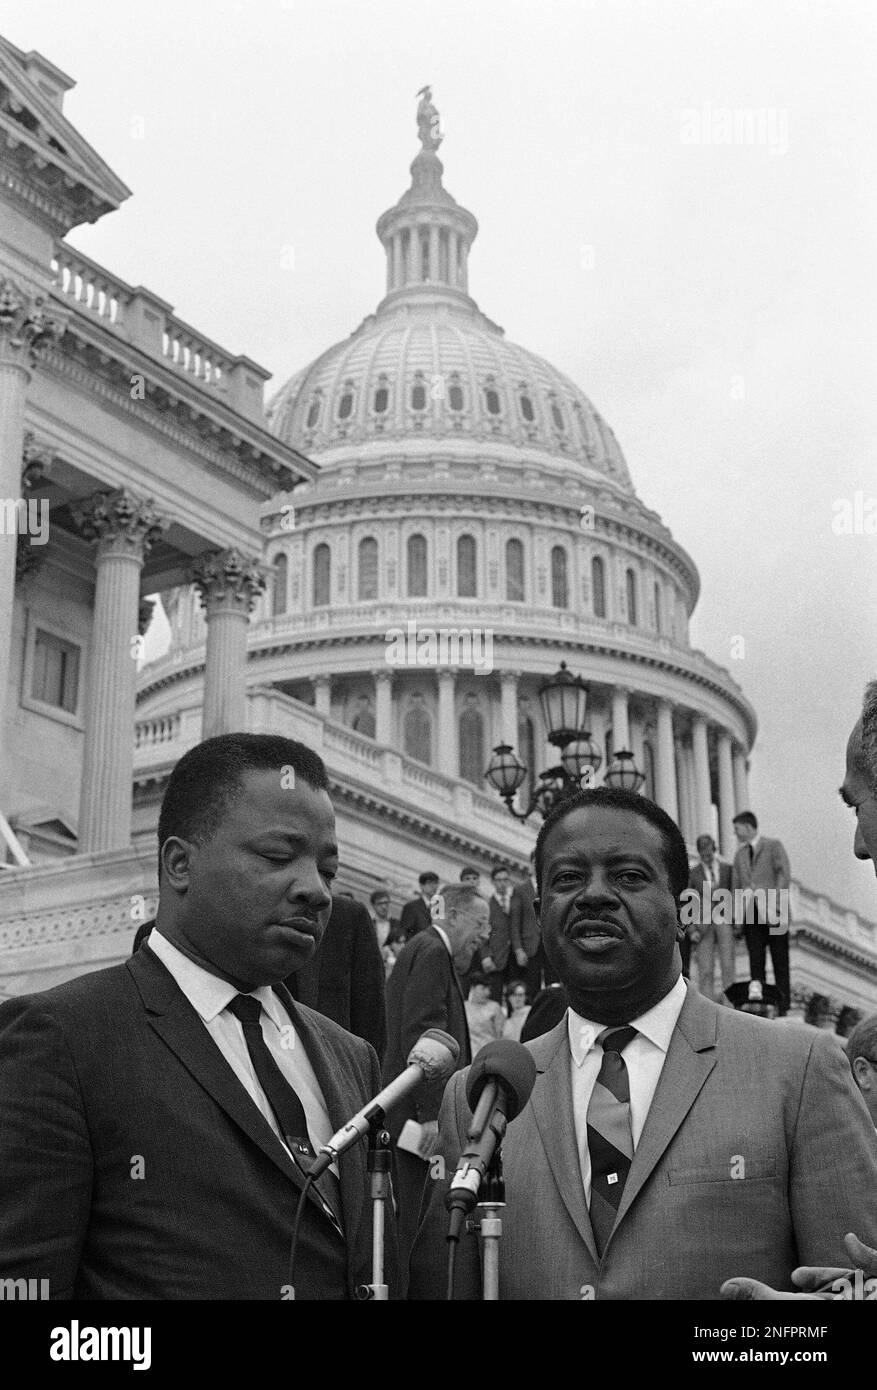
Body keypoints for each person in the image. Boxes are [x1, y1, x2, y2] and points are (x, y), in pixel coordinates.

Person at [409, 786, 877, 1300]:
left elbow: (854, 1286)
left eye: (628, 876)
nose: (593, 896)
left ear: (683, 911)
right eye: (568, 879)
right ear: (541, 914)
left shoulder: (800, 1070)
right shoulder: (479, 1100)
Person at [0, 733, 396, 1299]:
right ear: (180, 863)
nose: (315, 891)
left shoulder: (352, 1058)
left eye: (328, 872)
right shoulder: (60, 1039)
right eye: (278, 857)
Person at [383, 882, 482, 1284]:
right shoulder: (433, 951)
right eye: (481, 922)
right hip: (419, 1119)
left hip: (409, 1113)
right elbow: (423, 1036)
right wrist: (430, 1117)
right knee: (420, 1224)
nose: (486, 934)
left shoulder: (422, 949)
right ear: (453, 916)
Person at [285, 892, 387, 1058]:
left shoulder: (348, 917)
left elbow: (370, 1012)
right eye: (382, 903)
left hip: (323, 1059)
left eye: (327, 875)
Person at [730, 811, 791, 1015]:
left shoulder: (773, 845)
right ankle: (763, 1003)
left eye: (737, 829)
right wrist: (738, 920)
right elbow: (736, 888)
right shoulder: (739, 855)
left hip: (775, 910)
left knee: (779, 958)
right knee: (756, 960)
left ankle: (783, 1006)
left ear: (748, 827)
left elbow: (784, 873)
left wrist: (775, 900)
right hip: (750, 912)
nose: (736, 833)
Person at [686, 834, 735, 1001]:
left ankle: (730, 1007)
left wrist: (737, 922)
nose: (706, 858)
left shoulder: (727, 869)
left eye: (708, 854)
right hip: (702, 925)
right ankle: (708, 1008)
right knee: (705, 970)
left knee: (728, 966)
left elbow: (735, 894)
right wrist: (691, 929)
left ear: (714, 850)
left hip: (724, 920)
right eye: (703, 855)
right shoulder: (693, 874)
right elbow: (687, 902)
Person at [509, 849, 553, 999]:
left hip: (549, 944)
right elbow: (515, 923)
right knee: (531, 986)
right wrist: (518, 949)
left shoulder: (552, 887)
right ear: (530, 865)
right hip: (530, 945)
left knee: (553, 985)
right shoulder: (520, 890)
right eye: (535, 863)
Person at [476, 864, 513, 1002]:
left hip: (514, 959)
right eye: (499, 880)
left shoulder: (515, 902)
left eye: (505, 880)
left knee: (514, 995)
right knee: (494, 997)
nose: (502, 884)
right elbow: (482, 934)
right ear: (493, 882)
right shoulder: (487, 906)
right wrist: (485, 956)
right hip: (496, 958)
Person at [465, 972, 504, 1053]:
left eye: (488, 989)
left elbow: (500, 1035)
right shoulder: (464, 1007)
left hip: (489, 1052)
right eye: (483, 988)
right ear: (473, 988)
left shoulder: (494, 1007)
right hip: (470, 1054)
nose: (487, 992)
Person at [399, 871, 439, 939]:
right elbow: (405, 933)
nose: (433, 886)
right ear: (421, 886)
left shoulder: (439, 908)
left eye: (435, 883)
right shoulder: (411, 907)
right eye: (429, 883)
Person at [368, 887, 399, 953]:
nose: (384, 907)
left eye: (386, 903)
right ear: (373, 905)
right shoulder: (369, 924)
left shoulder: (396, 924)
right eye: (380, 904)